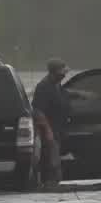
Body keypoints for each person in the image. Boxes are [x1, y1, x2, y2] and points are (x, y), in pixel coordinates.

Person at [32, 58, 72, 186]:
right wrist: (48, 131)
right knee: (52, 162)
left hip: (59, 130)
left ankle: (54, 184)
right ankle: (50, 186)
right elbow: (38, 111)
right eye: (62, 72)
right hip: (49, 131)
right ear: (54, 72)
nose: (64, 75)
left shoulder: (57, 85)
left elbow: (65, 93)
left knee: (55, 159)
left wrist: (81, 94)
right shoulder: (43, 87)